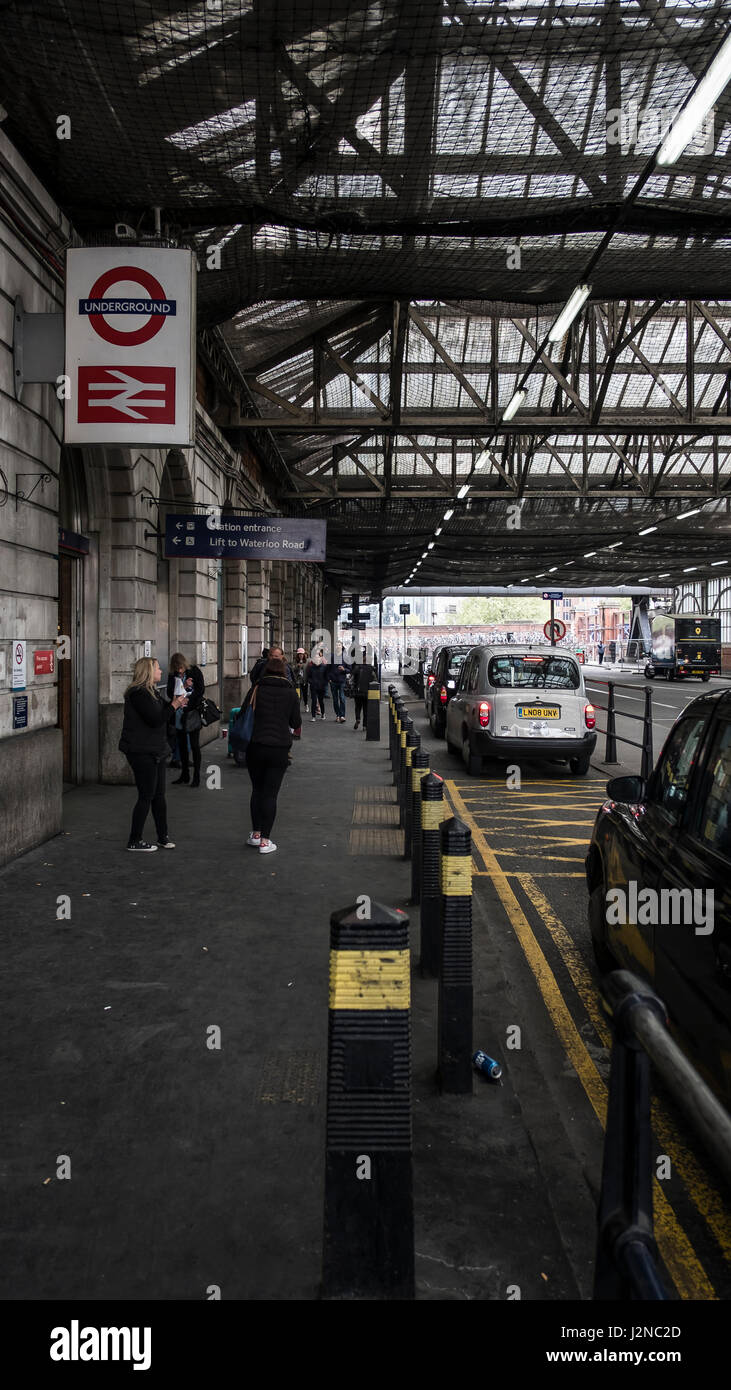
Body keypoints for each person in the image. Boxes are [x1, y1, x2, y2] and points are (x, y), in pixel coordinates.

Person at [119, 657, 187, 851]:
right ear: (149, 671)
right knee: (146, 795)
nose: (161, 672)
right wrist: (174, 706)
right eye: (157, 668)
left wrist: (175, 703)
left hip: (156, 749)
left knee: (159, 795)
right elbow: (155, 720)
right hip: (141, 751)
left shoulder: (152, 692)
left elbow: (163, 712)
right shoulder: (138, 694)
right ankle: (134, 840)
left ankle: (162, 836)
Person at [241, 657, 301, 854]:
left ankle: (256, 834)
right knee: (271, 794)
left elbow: (244, 712)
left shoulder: (256, 689)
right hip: (279, 749)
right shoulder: (291, 692)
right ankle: (266, 842)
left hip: (256, 746)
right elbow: (296, 721)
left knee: (257, 790)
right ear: (284, 672)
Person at [167, 652, 205, 787]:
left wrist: (189, 697)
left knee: (194, 745)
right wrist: (183, 687)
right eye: (177, 668)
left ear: (184, 664)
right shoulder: (173, 676)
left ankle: (196, 776)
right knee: (182, 745)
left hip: (191, 713)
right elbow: (169, 692)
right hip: (179, 713)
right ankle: (185, 774)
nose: (179, 671)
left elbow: (201, 690)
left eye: (181, 668)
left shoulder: (194, 671)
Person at [353, 654, 377, 731]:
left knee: (358, 707)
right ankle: (365, 726)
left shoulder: (358, 668)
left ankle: (358, 718)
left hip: (358, 691)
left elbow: (352, 677)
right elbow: (375, 681)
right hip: (367, 692)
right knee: (366, 709)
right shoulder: (372, 669)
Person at [327, 647, 349, 723]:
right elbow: (328, 668)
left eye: (339, 645)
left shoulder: (345, 657)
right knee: (335, 700)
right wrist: (329, 678)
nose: (338, 647)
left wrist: (344, 669)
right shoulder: (332, 657)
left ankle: (342, 715)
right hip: (333, 681)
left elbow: (349, 669)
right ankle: (338, 715)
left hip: (342, 681)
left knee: (342, 698)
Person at [306, 651, 328, 720]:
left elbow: (326, 677)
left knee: (321, 701)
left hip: (321, 687)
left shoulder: (324, 667)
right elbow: (308, 676)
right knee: (314, 701)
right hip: (314, 686)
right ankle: (313, 716)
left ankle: (323, 713)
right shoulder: (311, 667)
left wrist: (324, 683)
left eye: (318, 658)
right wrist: (311, 682)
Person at [292, 647, 309, 711]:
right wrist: (297, 666)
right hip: (297, 680)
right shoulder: (295, 661)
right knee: (298, 694)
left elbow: (308, 670)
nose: (300, 655)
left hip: (304, 680)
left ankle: (306, 704)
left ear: (304, 654)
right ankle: (297, 706)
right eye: (299, 654)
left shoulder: (307, 661)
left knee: (305, 693)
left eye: (302, 654)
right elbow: (292, 669)